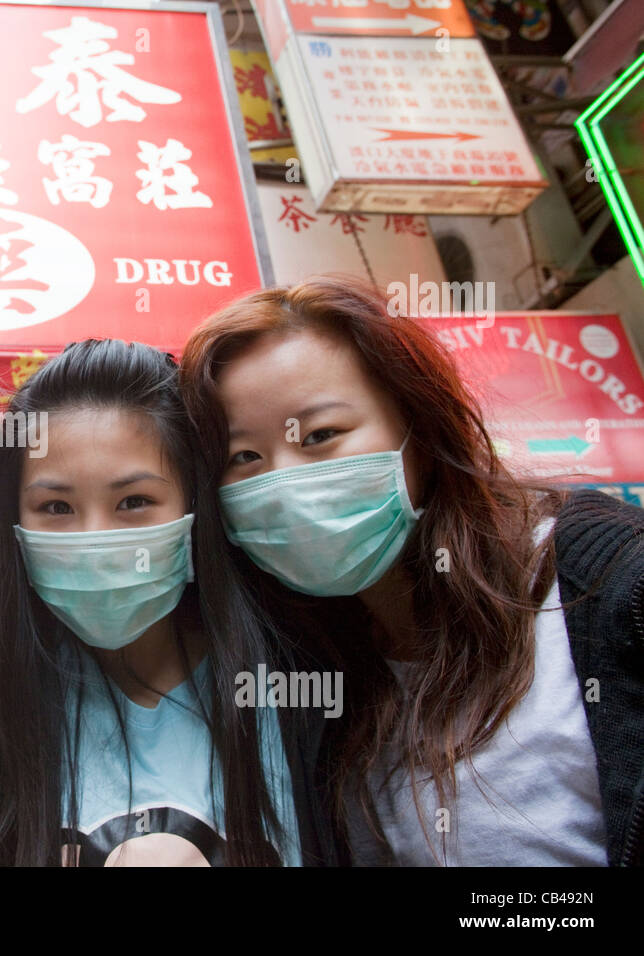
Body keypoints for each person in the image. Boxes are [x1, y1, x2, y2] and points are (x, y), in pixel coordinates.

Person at [180, 275, 644, 866]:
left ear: (419, 431)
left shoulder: (607, 585)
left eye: (322, 435)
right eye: (244, 456)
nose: (286, 481)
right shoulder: (310, 670)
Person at [0, 339, 332, 867]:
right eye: (57, 507)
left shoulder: (300, 677)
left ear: (194, 506)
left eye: (134, 501)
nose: (95, 540)